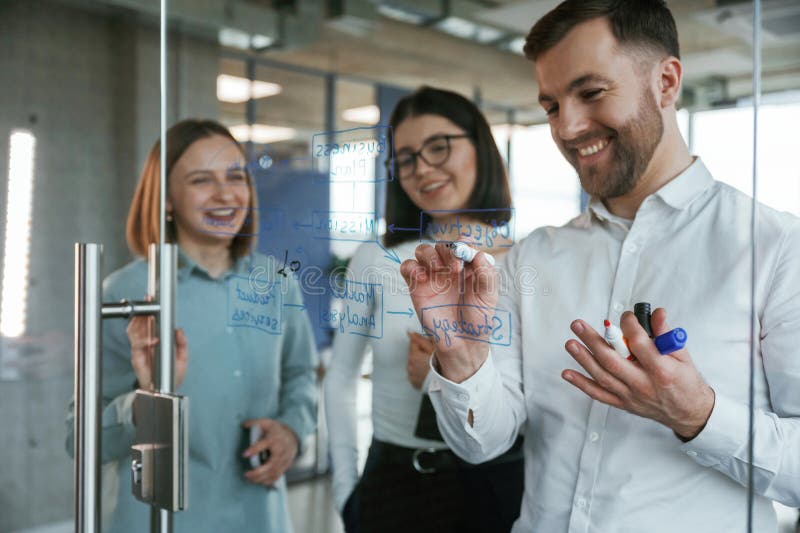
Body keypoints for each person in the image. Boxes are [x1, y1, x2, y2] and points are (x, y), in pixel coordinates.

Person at [400, 2, 800, 532]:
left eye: (591, 93)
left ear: (666, 82)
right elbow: (483, 444)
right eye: (551, 106)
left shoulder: (776, 247)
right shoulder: (535, 256)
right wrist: (463, 358)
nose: (567, 127)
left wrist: (698, 414)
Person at [66, 119, 318, 532]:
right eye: (202, 180)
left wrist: (292, 429)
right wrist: (146, 400)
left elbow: (301, 375)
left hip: (259, 516)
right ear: (166, 200)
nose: (225, 194)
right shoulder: (126, 292)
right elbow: (79, 437)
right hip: (158, 519)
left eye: (235, 176)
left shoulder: (276, 282)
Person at [324, 86, 524, 533]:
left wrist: (445, 373)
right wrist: (346, 492)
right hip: (395, 483)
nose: (423, 169)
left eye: (439, 147)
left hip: (497, 484)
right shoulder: (377, 258)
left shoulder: (525, 261)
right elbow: (340, 378)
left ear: (480, 147)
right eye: (407, 158)